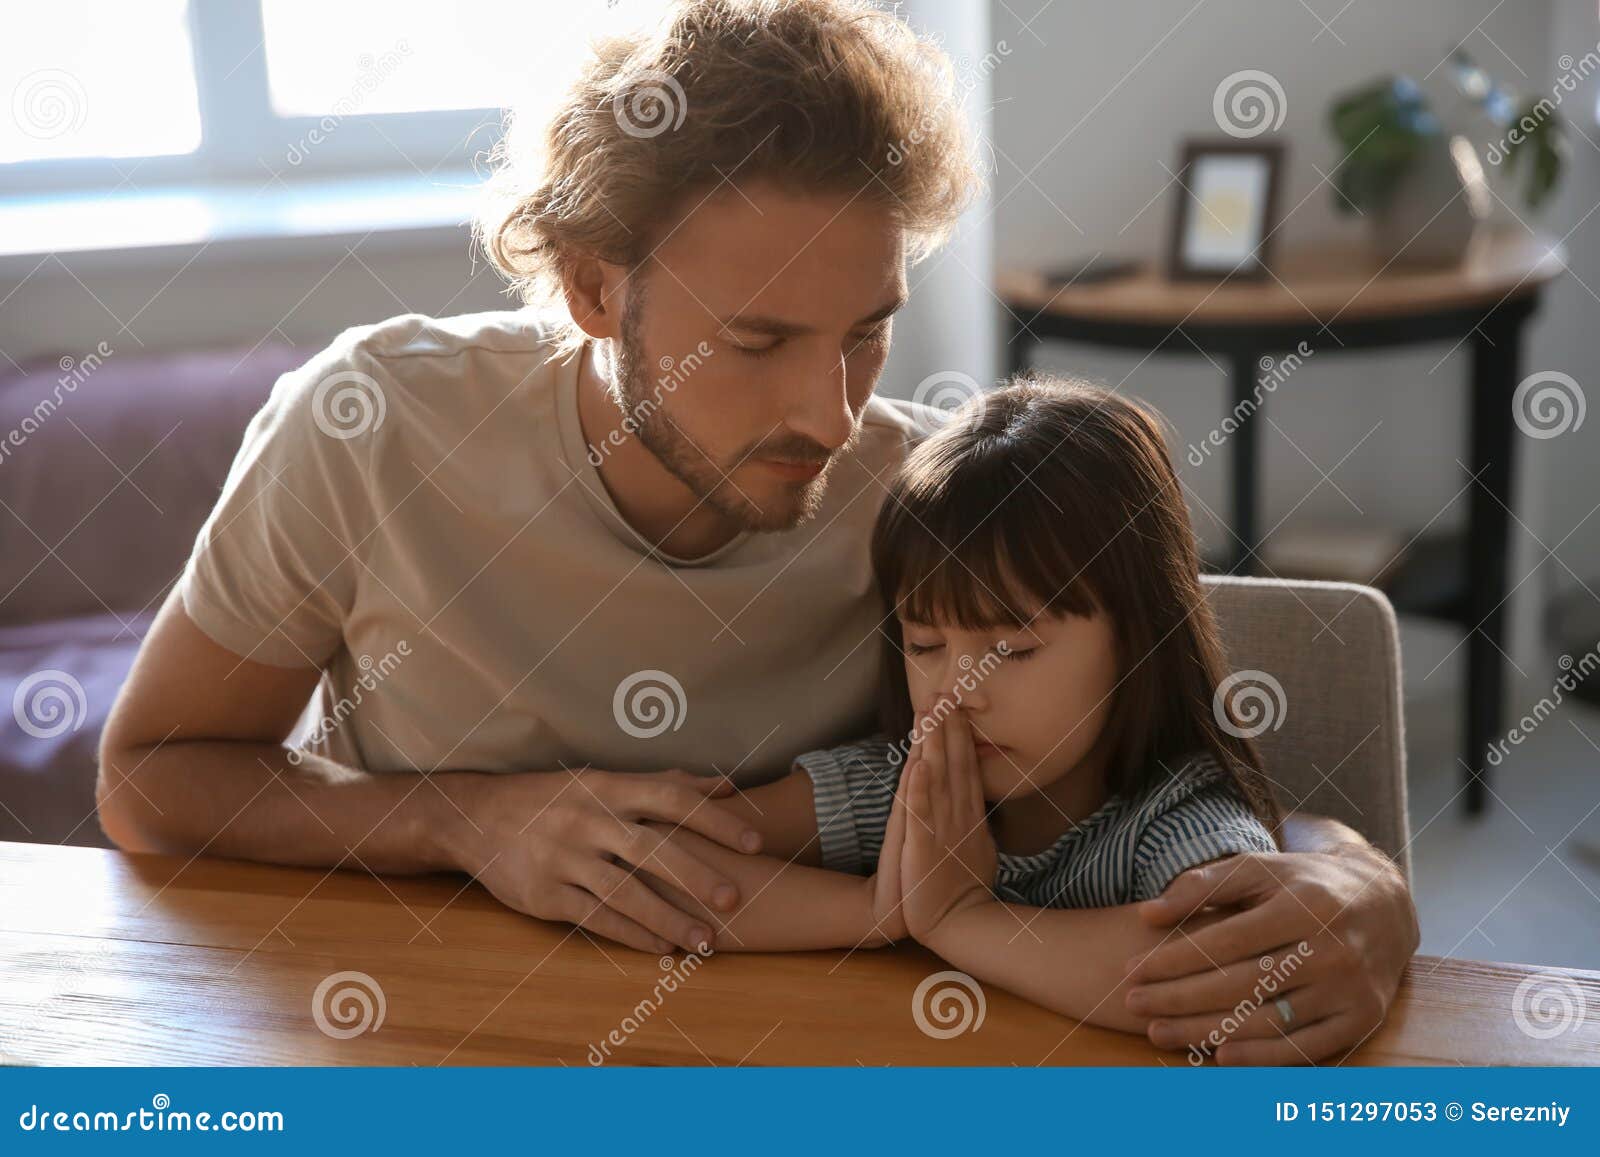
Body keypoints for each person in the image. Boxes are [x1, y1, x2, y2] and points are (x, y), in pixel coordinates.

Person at [97, 0, 1417, 1065]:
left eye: (868, 332)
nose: (832, 412)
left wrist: (1365, 881)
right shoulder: (369, 422)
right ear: (596, 286)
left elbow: (1140, 735)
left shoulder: (916, 504)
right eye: (759, 341)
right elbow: (154, 776)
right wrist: (467, 822)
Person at [632, 377, 1302, 1047]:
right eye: (925, 644)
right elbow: (658, 867)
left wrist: (960, 917)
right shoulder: (909, 790)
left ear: (1138, 638)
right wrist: (875, 909)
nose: (958, 688)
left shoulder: (1173, 815)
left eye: (1013, 649)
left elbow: (1227, 967)